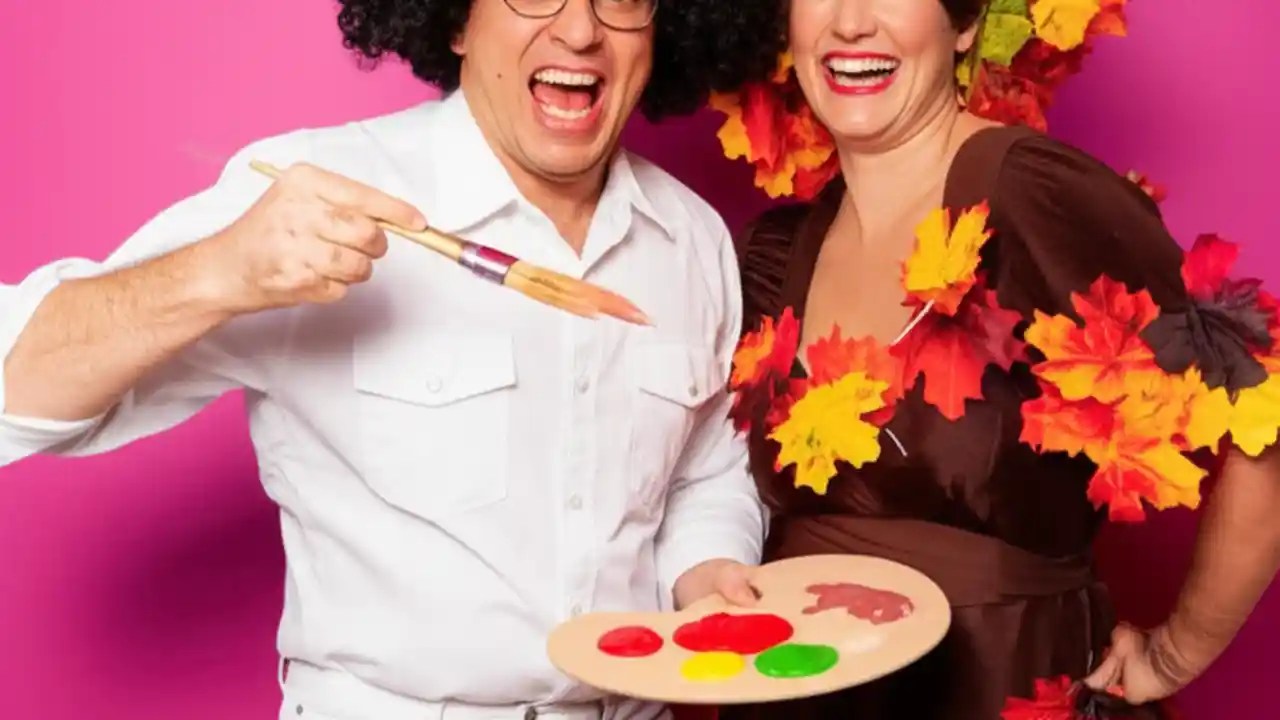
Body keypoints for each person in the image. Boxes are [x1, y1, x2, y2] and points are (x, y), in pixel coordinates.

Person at [0, 1, 784, 718]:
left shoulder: (692, 239)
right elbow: (15, 384)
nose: (579, 29)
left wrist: (706, 570)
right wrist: (217, 271)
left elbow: (700, 470)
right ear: (454, 21)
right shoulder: (314, 201)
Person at [718, 1, 1280, 719]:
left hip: (998, 686)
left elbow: (1265, 409)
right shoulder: (780, 250)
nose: (851, 23)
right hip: (801, 696)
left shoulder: (1030, 195)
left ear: (965, 23)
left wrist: (1178, 652)